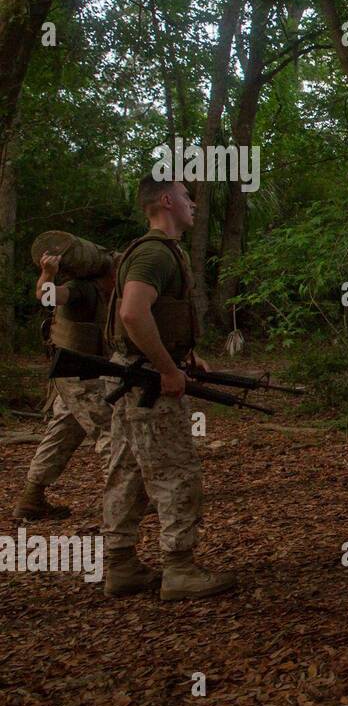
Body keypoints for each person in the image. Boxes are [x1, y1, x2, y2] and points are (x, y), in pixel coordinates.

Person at [100, 176, 234, 600]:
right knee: (176, 471)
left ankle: (120, 566)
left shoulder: (156, 251)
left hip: (131, 374)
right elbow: (133, 313)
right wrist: (167, 370)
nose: (192, 201)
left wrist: (182, 357)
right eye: (184, 195)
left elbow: (154, 315)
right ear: (165, 201)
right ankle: (179, 568)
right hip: (146, 382)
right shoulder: (156, 252)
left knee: (128, 471)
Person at [12, 249, 117, 520]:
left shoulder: (107, 294)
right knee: (111, 431)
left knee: (62, 433)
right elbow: (46, 296)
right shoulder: (81, 288)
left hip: (80, 375)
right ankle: (122, 501)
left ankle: (31, 499)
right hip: (78, 377)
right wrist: (47, 274)